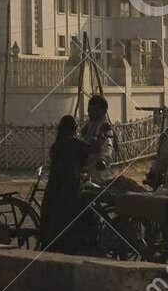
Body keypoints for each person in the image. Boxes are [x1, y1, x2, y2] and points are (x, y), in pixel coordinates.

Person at [40, 115, 92, 253]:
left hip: (54, 188)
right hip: (71, 188)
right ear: (74, 129)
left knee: (53, 220)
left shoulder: (57, 145)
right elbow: (92, 152)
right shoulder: (75, 144)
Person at [80, 94, 116, 183]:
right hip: (89, 169)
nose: (89, 113)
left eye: (93, 110)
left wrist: (103, 160)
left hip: (99, 171)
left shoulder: (105, 127)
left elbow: (108, 146)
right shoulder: (89, 124)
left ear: (103, 111)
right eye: (89, 110)